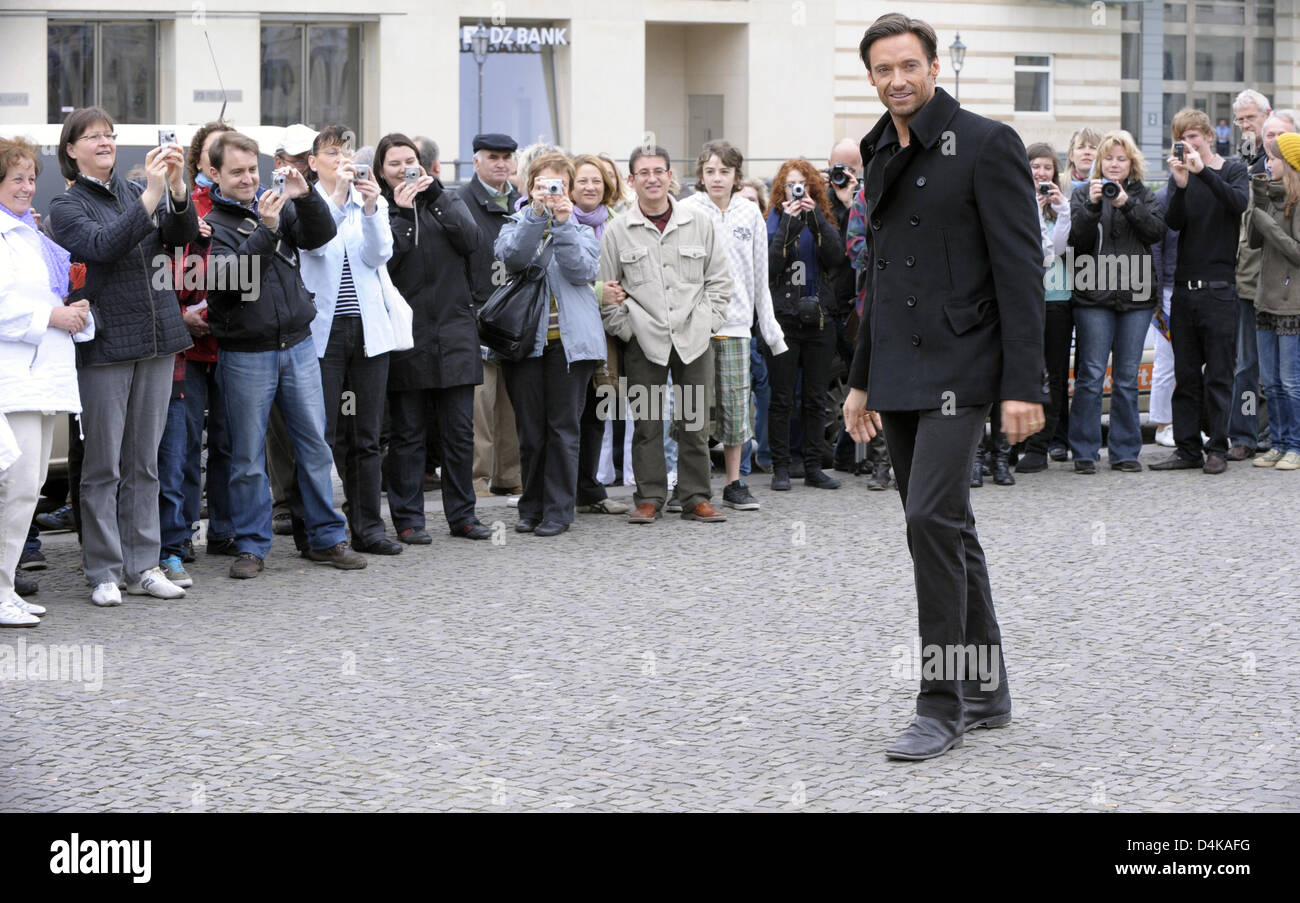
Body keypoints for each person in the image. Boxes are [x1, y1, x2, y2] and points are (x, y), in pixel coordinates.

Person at [842, 13, 1048, 761]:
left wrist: (1025, 385)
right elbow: (878, 277)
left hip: (965, 368)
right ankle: (987, 686)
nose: (896, 79)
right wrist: (860, 381)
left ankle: (942, 699)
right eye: (882, 69)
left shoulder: (987, 144)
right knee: (949, 525)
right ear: (871, 76)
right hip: (896, 368)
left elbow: (1023, 273)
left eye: (908, 65)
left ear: (933, 66)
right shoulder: (875, 151)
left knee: (928, 516)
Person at [48, 107, 198, 606]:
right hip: (106, 344)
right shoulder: (66, 206)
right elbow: (103, 246)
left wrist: (176, 191)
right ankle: (104, 570)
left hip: (156, 338)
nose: (105, 142)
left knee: (145, 463)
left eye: (109, 135)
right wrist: (154, 195)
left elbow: (180, 240)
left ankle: (144, 565)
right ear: (71, 150)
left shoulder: (138, 191)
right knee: (103, 466)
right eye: (92, 137)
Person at [201, 130, 367, 577]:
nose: (248, 179)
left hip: (295, 344)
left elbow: (321, 236)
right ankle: (252, 546)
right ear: (213, 173)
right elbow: (227, 283)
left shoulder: (278, 203)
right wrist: (266, 232)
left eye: (253, 170)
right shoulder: (209, 223)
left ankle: (327, 539)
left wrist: (306, 194)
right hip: (245, 352)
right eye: (237, 172)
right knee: (248, 456)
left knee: (314, 446)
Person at [598, 143, 731, 524]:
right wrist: (628, 331)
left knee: (694, 423)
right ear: (631, 180)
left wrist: (708, 322)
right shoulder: (617, 231)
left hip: (693, 338)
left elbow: (720, 281)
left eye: (659, 171)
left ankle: (695, 498)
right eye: (644, 173)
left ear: (671, 176)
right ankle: (649, 497)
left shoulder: (699, 222)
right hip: (645, 339)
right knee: (647, 423)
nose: (653, 179)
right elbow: (606, 290)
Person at [375, 132, 493, 541]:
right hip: (406, 337)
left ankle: (463, 515)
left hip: (455, 332)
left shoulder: (447, 199)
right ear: (381, 171)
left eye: (410, 161)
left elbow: (474, 242)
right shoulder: (378, 209)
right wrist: (404, 217)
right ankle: (407, 518)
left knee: (459, 433)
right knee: (409, 435)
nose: (404, 169)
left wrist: (437, 195)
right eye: (394, 163)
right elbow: (385, 263)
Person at [0, 135, 95, 626]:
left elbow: (52, 297)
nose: (27, 186)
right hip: (9, 380)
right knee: (13, 484)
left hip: (39, 377)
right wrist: (51, 317)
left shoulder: (30, 233)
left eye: (32, 178)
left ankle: (6, 585)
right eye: (16, 178)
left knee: (31, 484)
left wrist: (73, 312)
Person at [298, 125, 401, 555]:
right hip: (322, 330)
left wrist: (375, 206)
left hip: (366, 328)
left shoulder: (365, 202)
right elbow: (318, 249)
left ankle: (369, 527)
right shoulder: (305, 203)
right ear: (312, 161)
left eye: (347, 151)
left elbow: (379, 255)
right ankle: (315, 531)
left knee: (366, 433)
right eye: (332, 152)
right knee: (318, 433)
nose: (342, 158)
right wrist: (339, 199)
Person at [494, 152, 605, 536]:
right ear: (530, 186)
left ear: (569, 190)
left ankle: (559, 509)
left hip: (570, 345)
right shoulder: (514, 223)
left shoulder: (582, 230)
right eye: (544, 183)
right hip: (525, 343)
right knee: (530, 429)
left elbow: (582, 270)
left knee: (563, 429)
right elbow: (514, 258)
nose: (553, 190)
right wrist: (537, 215)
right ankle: (532, 506)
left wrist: (561, 223)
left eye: (559, 184)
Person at [681, 140, 786, 509]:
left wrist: (770, 331)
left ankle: (734, 482)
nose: (717, 178)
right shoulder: (687, 210)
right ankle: (690, 485)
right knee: (694, 406)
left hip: (737, 324)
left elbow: (759, 276)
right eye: (710, 171)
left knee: (736, 406)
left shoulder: (749, 213)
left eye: (724, 171)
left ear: (735, 175)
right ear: (701, 175)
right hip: (695, 323)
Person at [156, 121, 236, 592]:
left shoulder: (246, 201)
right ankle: (179, 536)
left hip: (229, 342)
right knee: (182, 446)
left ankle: (224, 530)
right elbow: (158, 269)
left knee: (229, 442)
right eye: (213, 154)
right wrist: (180, 316)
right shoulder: (179, 202)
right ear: (200, 161)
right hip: (184, 343)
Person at [1150, 109, 1249, 474]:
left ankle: (1218, 448)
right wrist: (1179, 184)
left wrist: (1202, 172)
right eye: (1182, 138)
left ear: (1208, 136)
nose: (1188, 145)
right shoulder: (1184, 181)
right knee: (1186, 374)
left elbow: (1238, 204)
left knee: (1220, 374)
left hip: (1220, 289)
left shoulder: (1232, 169)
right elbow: (1173, 223)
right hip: (1184, 289)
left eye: (1194, 137)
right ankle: (1187, 448)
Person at [1066, 131, 1165, 474]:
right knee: (1091, 375)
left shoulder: (1143, 195)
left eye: (1121, 159)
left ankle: (1125, 452)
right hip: (1093, 296)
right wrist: (1094, 206)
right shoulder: (1082, 194)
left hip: (1136, 296)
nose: (1114, 164)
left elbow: (1155, 232)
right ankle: (1084, 451)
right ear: (1099, 162)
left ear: (1131, 163)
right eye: (1108, 158)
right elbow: (1076, 241)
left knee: (1126, 376)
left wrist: (1126, 203)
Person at [763, 158, 848, 492]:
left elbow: (836, 258)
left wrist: (813, 218)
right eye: (789, 185)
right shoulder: (772, 219)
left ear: (812, 187)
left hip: (819, 320)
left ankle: (814, 466)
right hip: (783, 319)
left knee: (815, 397)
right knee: (782, 398)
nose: (796, 191)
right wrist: (787, 222)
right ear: (781, 190)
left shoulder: (821, 218)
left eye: (802, 185)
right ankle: (781, 467)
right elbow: (771, 265)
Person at [455, 134, 524, 499]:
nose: (500, 163)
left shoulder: (520, 201)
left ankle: (509, 475)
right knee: (479, 405)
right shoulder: (461, 202)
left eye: (506, 157)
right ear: (476, 161)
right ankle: (476, 480)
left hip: (516, 318)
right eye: (492, 157)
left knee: (511, 405)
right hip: (478, 316)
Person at [568, 153, 629, 516]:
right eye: (582, 181)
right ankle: (561, 488)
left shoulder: (620, 223)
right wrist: (597, 291)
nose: (590, 187)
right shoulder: (560, 220)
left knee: (596, 410)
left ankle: (589, 488)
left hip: (609, 330)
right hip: (569, 330)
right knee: (566, 414)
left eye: (596, 181)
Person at [1016, 143, 1072, 474]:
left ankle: (1041, 445)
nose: (1041, 173)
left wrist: (1061, 211)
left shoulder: (1061, 205)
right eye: (1035, 166)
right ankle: (1020, 440)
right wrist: (1032, 210)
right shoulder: (1018, 202)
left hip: (1057, 300)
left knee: (1054, 374)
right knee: (1026, 372)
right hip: (1026, 301)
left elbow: (1060, 250)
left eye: (1047, 168)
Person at [1247, 132, 1300, 470]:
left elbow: (1296, 251)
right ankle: (1278, 443)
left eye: (1274, 158)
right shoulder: (1270, 197)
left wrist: (1269, 225)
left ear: (1291, 165)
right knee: (1270, 381)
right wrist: (1257, 200)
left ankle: (1294, 445)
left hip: (1291, 303)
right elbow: (1253, 242)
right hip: (1265, 299)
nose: (1268, 163)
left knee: (1291, 381)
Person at [1227, 90, 1274, 459]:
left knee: (1279, 365)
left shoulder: (1282, 163)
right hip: (1245, 277)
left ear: (1267, 116)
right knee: (1245, 365)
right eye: (1240, 120)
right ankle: (1243, 434)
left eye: (1250, 118)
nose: (1245, 125)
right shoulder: (1238, 164)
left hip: (1280, 279)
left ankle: (1277, 433)